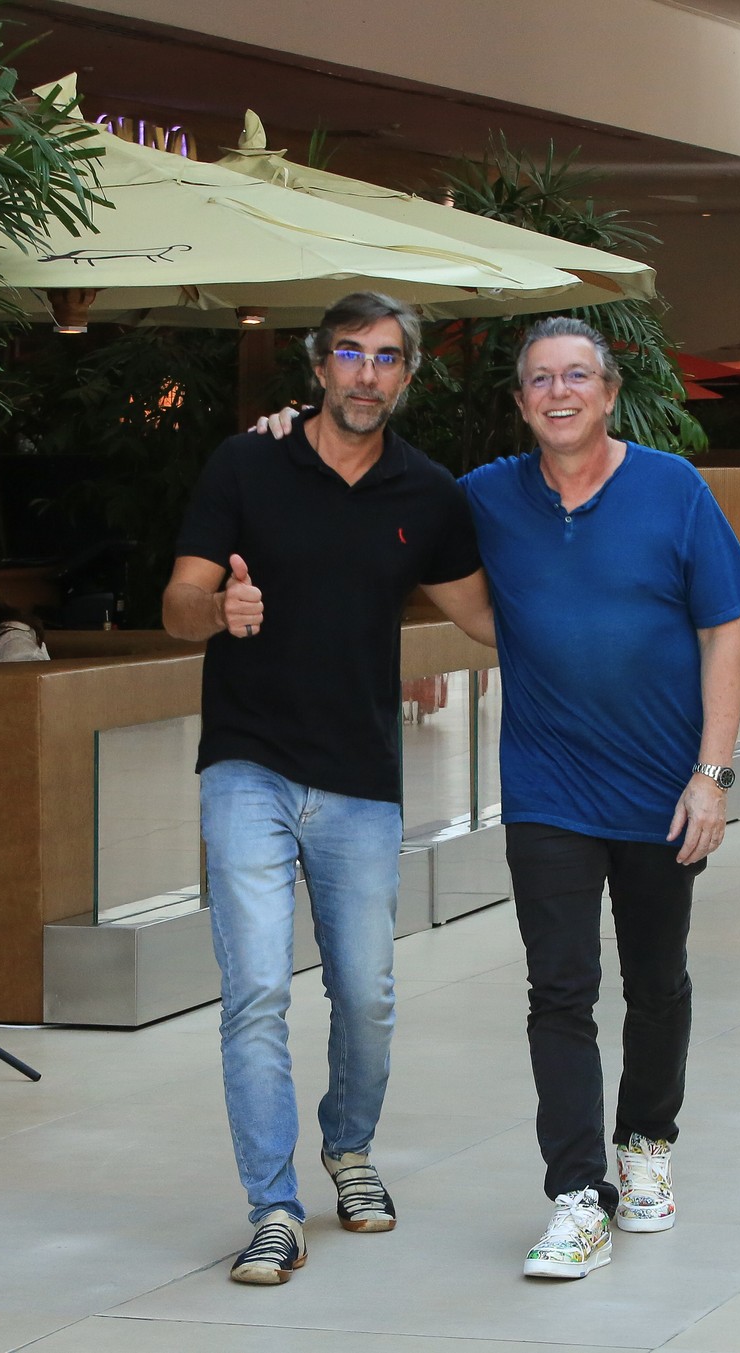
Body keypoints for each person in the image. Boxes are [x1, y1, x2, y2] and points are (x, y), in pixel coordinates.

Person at [259, 314, 740, 1283]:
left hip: (664, 788)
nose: (559, 393)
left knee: (656, 981)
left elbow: (724, 630)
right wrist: (291, 435)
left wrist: (712, 773)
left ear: (610, 392)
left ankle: (647, 1144)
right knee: (560, 990)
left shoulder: (673, 488)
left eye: (578, 377)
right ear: (521, 401)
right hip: (548, 789)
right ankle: (578, 1196)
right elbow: (382, 499)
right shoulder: (483, 496)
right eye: (540, 380)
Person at [162, 292, 494, 1287]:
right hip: (248, 767)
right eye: (349, 354)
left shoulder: (427, 494)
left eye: (387, 358)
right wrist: (218, 604)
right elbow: (178, 609)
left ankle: (348, 1149)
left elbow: (491, 617)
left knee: (367, 996)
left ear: (407, 375)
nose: (366, 374)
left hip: (359, 778)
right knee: (257, 991)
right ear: (318, 366)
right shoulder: (245, 464)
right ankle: (271, 1206)